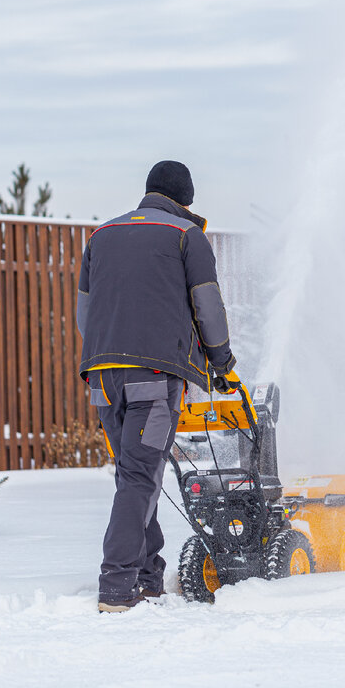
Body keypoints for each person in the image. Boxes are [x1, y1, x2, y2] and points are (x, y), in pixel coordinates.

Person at [76, 159, 236, 613]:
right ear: (186, 198)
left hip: (102, 378)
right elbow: (207, 306)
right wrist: (221, 362)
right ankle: (116, 585)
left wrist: (109, 355)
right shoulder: (187, 236)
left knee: (133, 475)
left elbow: (85, 315)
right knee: (140, 478)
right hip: (153, 377)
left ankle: (148, 578)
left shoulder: (101, 236)